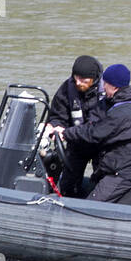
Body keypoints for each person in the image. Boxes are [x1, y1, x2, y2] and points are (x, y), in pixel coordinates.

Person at [57, 63, 131, 203]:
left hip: (122, 173)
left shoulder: (120, 112)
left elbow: (95, 132)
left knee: (90, 206)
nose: (103, 87)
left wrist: (66, 133)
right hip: (114, 168)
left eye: (106, 84)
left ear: (115, 87)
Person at [44, 55, 104, 198]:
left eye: (84, 80)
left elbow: (100, 125)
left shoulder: (106, 92)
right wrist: (53, 126)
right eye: (76, 77)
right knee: (67, 185)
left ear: (94, 79)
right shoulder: (67, 88)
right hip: (76, 144)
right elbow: (58, 115)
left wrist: (69, 132)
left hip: (101, 146)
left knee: (101, 185)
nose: (78, 82)